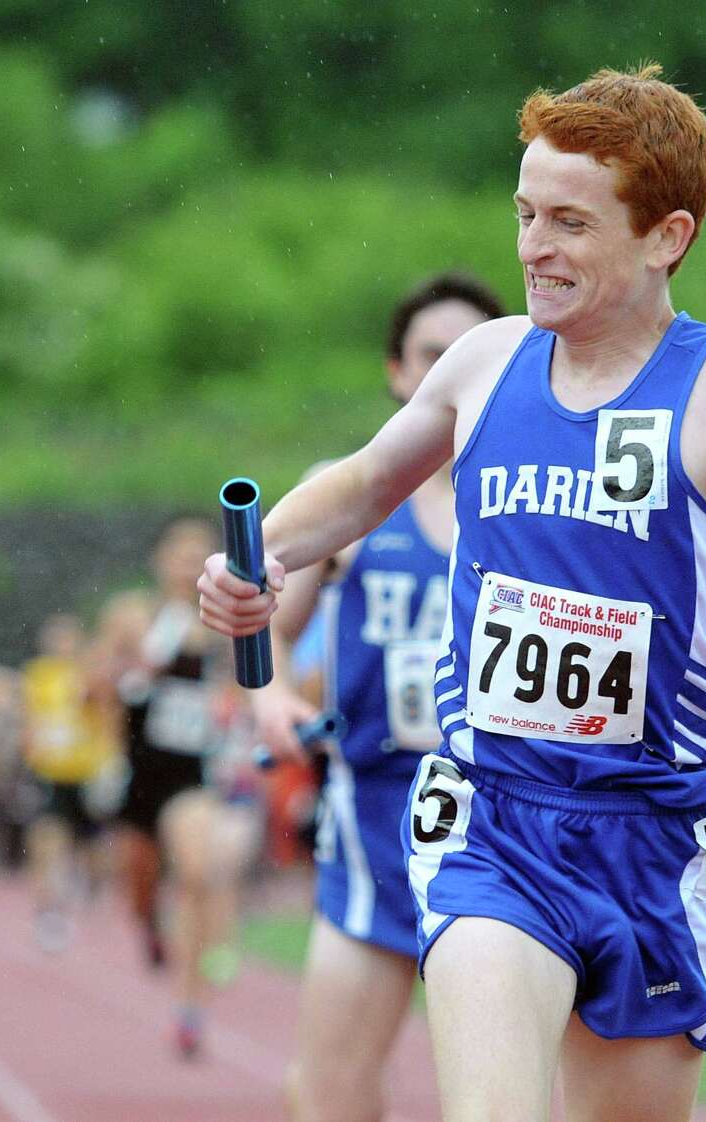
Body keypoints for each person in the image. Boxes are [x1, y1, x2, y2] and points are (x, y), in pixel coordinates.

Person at [199, 64, 706, 1122]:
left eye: (570, 224)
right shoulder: (485, 363)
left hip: (657, 840)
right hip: (489, 818)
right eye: (525, 214)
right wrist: (257, 559)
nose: (532, 250)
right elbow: (361, 485)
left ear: (667, 236)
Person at [251, 273, 506, 1122]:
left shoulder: (535, 500)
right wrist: (271, 696)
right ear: (400, 372)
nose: (449, 371)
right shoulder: (346, 493)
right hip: (376, 817)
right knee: (331, 1089)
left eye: (468, 355)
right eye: (433, 355)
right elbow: (267, 622)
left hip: (507, 820)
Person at [92, 517, 260, 1058]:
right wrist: (132, 670)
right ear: (160, 561)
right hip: (138, 769)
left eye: (198, 557)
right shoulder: (132, 615)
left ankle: (189, 1007)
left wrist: (233, 710)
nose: (188, 567)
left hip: (190, 774)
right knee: (139, 887)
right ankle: (150, 926)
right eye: (180, 556)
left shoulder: (222, 622)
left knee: (194, 873)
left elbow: (244, 688)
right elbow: (94, 683)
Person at [21, 613, 117, 951]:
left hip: (86, 774)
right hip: (51, 773)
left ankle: (88, 886)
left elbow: (105, 710)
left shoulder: (90, 674)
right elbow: (29, 719)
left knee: (94, 850)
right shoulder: (39, 676)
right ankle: (49, 912)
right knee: (47, 840)